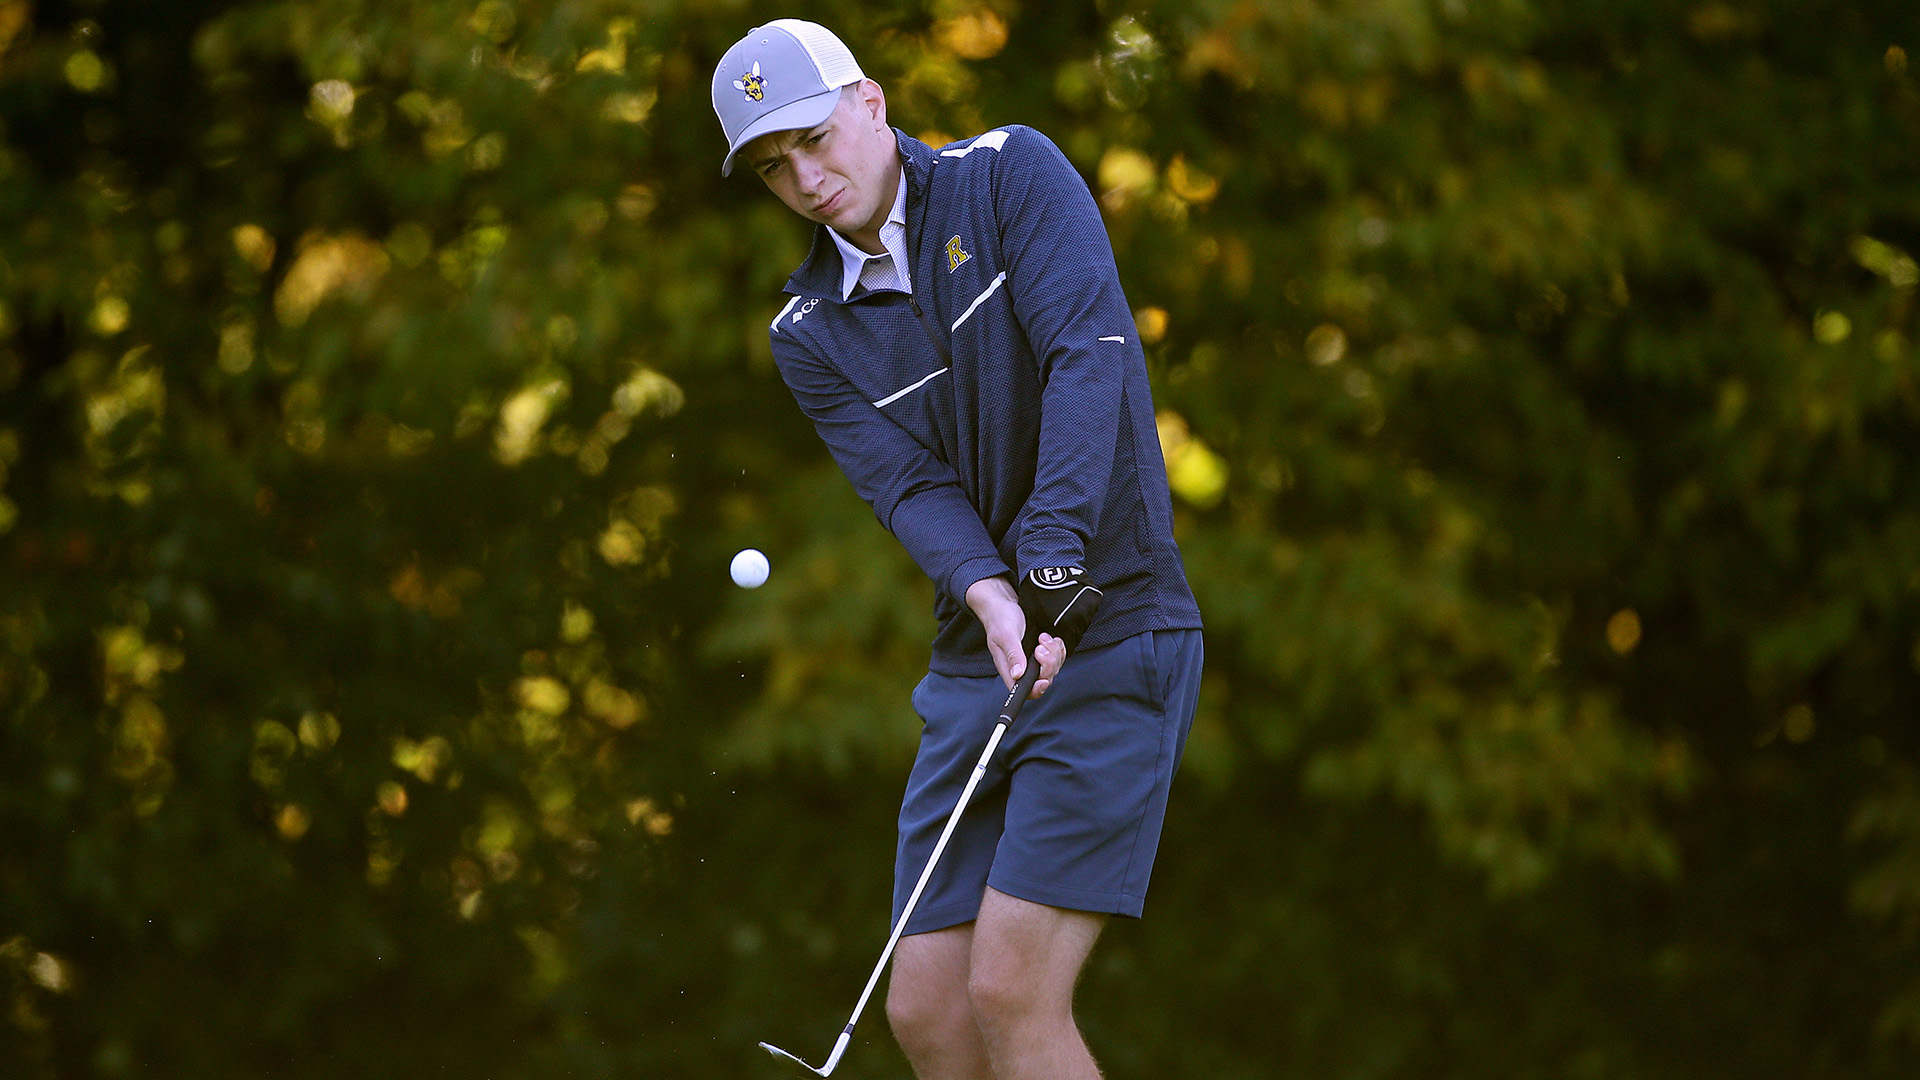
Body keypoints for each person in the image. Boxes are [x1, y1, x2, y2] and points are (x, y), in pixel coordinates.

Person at [712, 19, 1204, 1080]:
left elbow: (1089, 352)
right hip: (979, 654)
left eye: (810, 137)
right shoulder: (807, 330)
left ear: (872, 103)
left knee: (1011, 991)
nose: (803, 176)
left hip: (1112, 628)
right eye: (771, 166)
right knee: (931, 1012)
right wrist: (990, 591)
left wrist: (1055, 556)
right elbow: (909, 486)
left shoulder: (1009, 175)